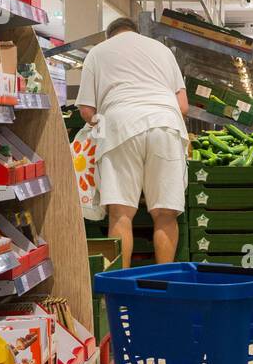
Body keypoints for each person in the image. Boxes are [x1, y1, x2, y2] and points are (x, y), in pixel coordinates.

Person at [76, 17, 189, 265]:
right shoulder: (162, 50)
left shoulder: (97, 52)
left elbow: (87, 111)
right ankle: (164, 284)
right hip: (165, 124)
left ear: (110, 35)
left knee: (121, 214)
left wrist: (100, 121)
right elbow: (183, 106)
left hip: (119, 127)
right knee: (165, 213)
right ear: (136, 32)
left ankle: (120, 289)